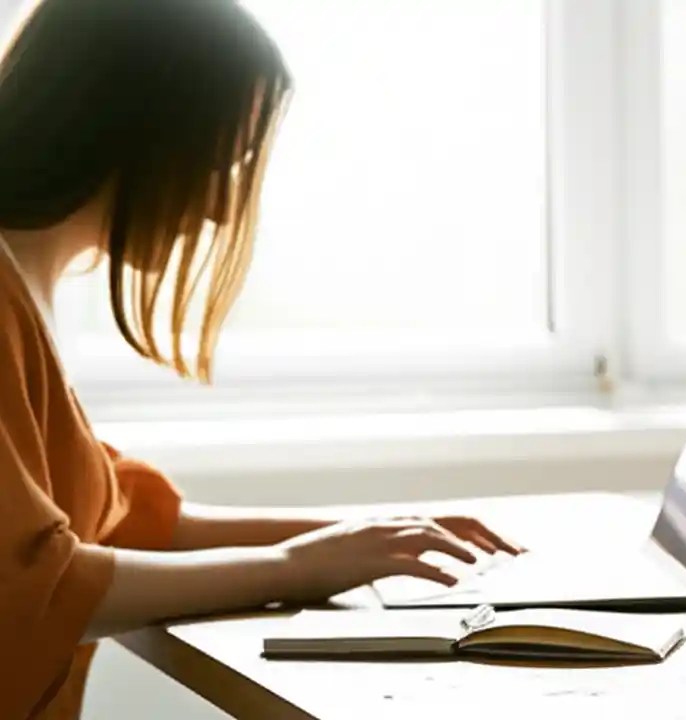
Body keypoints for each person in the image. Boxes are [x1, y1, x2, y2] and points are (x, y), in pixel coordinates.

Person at [0, 1, 522, 717]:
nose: (219, 208)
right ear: (125, 128)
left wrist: (371, 537)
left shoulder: (24, 284)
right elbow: (35, 584)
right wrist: (294, 566)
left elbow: (115, 518)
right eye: (217, 162)